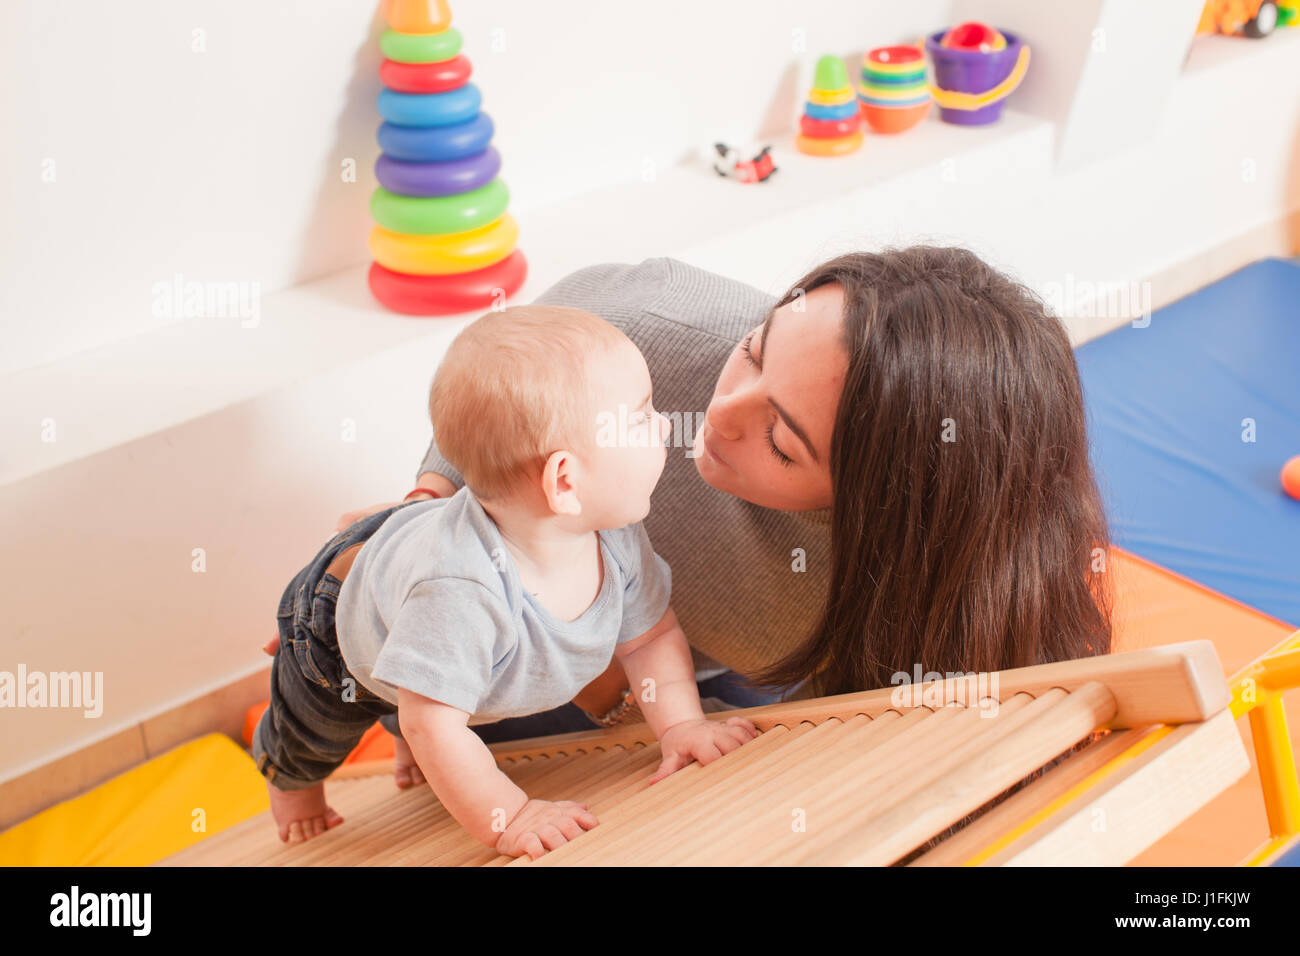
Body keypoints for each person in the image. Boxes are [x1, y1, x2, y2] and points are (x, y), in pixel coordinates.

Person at [344, 247, 1114, 756]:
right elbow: (503, 384)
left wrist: (624, 679)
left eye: (781, 443)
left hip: (683, 663)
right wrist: (423, 506)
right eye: (754, 349)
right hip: (542, 636)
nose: (718, 416)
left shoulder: (909, 612)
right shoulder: (645, 329)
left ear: (876, 510)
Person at [253, 304, 758, 856]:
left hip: (410, 568)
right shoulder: (462, 593)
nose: (664, 424)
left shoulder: (611, 533)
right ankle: (290, 782)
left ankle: (402, 727)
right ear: (565, 481)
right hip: (337, 615)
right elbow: (435, 726)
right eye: (640, 418)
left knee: (433, 686)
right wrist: (509, 815)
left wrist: (680, 726)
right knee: (325, 725)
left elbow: (651, 638)